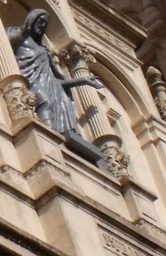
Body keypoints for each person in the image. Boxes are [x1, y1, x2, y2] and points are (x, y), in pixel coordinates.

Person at [8, 9, 104, 154]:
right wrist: (24, 29)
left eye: (44, 24)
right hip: (30, 82)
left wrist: (83, 80)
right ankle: (50, 146)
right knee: (44, 102)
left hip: (50, 87)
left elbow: (56, 80)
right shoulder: (20, 37)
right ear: (32, 19)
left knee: (57, 103)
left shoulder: (44, 50)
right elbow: (4, 38)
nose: (42, 25)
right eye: (40, 21)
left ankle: (56, 148)